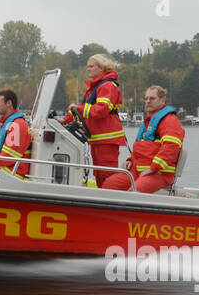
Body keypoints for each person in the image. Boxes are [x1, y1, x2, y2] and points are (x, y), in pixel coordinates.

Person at [102, 85, 184, 192]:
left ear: (163, 100)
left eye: (152, 98)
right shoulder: (149, 121)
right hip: (137, 170)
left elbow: (171, 147)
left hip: (159, 173)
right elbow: (142, 147)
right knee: (108, 185)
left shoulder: (170, 121)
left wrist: (153, 168)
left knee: (134, 191)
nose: (148, 101)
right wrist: (130, 160)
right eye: (146, 98)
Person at [62, 54, 127, 186]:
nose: (88, 69)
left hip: (107, 139)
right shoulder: (96, 87)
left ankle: (109, 202)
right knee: (99, 174)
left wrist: (79, 108)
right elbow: (82, 109)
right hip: (98, 139)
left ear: (101, 68)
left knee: (107, 175)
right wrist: (64, 120)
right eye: (87, 67)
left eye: (91, 66)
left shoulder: (107, 86)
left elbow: (101, 110)